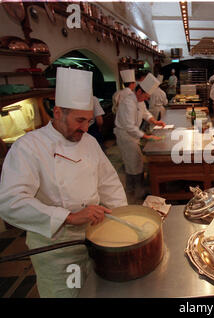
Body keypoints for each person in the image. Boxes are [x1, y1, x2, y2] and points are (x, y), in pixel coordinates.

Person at [0, 67, 128, 298]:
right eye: (79, 120)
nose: (85, 127)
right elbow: (11, 202)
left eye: (88, 120)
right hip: (56, 247)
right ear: (57, 112)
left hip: (95, 237)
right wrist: (68, 217)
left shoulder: (88, 141)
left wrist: (121, 221)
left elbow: (108, 183)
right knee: (66, 293)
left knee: (97, 290)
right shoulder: (28, 147)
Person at [114, 73, 165, 201]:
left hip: (132, 136)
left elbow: (145, 113)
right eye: (146, 96)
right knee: (133, 163)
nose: (146, 99)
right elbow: (130, 127)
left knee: (135, 163)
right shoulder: (128, 102)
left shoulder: (139, 100)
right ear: (139, 91)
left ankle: (135, 189)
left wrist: (154, 121)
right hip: (125, 136)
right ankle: (135, 192)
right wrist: (147, 137)